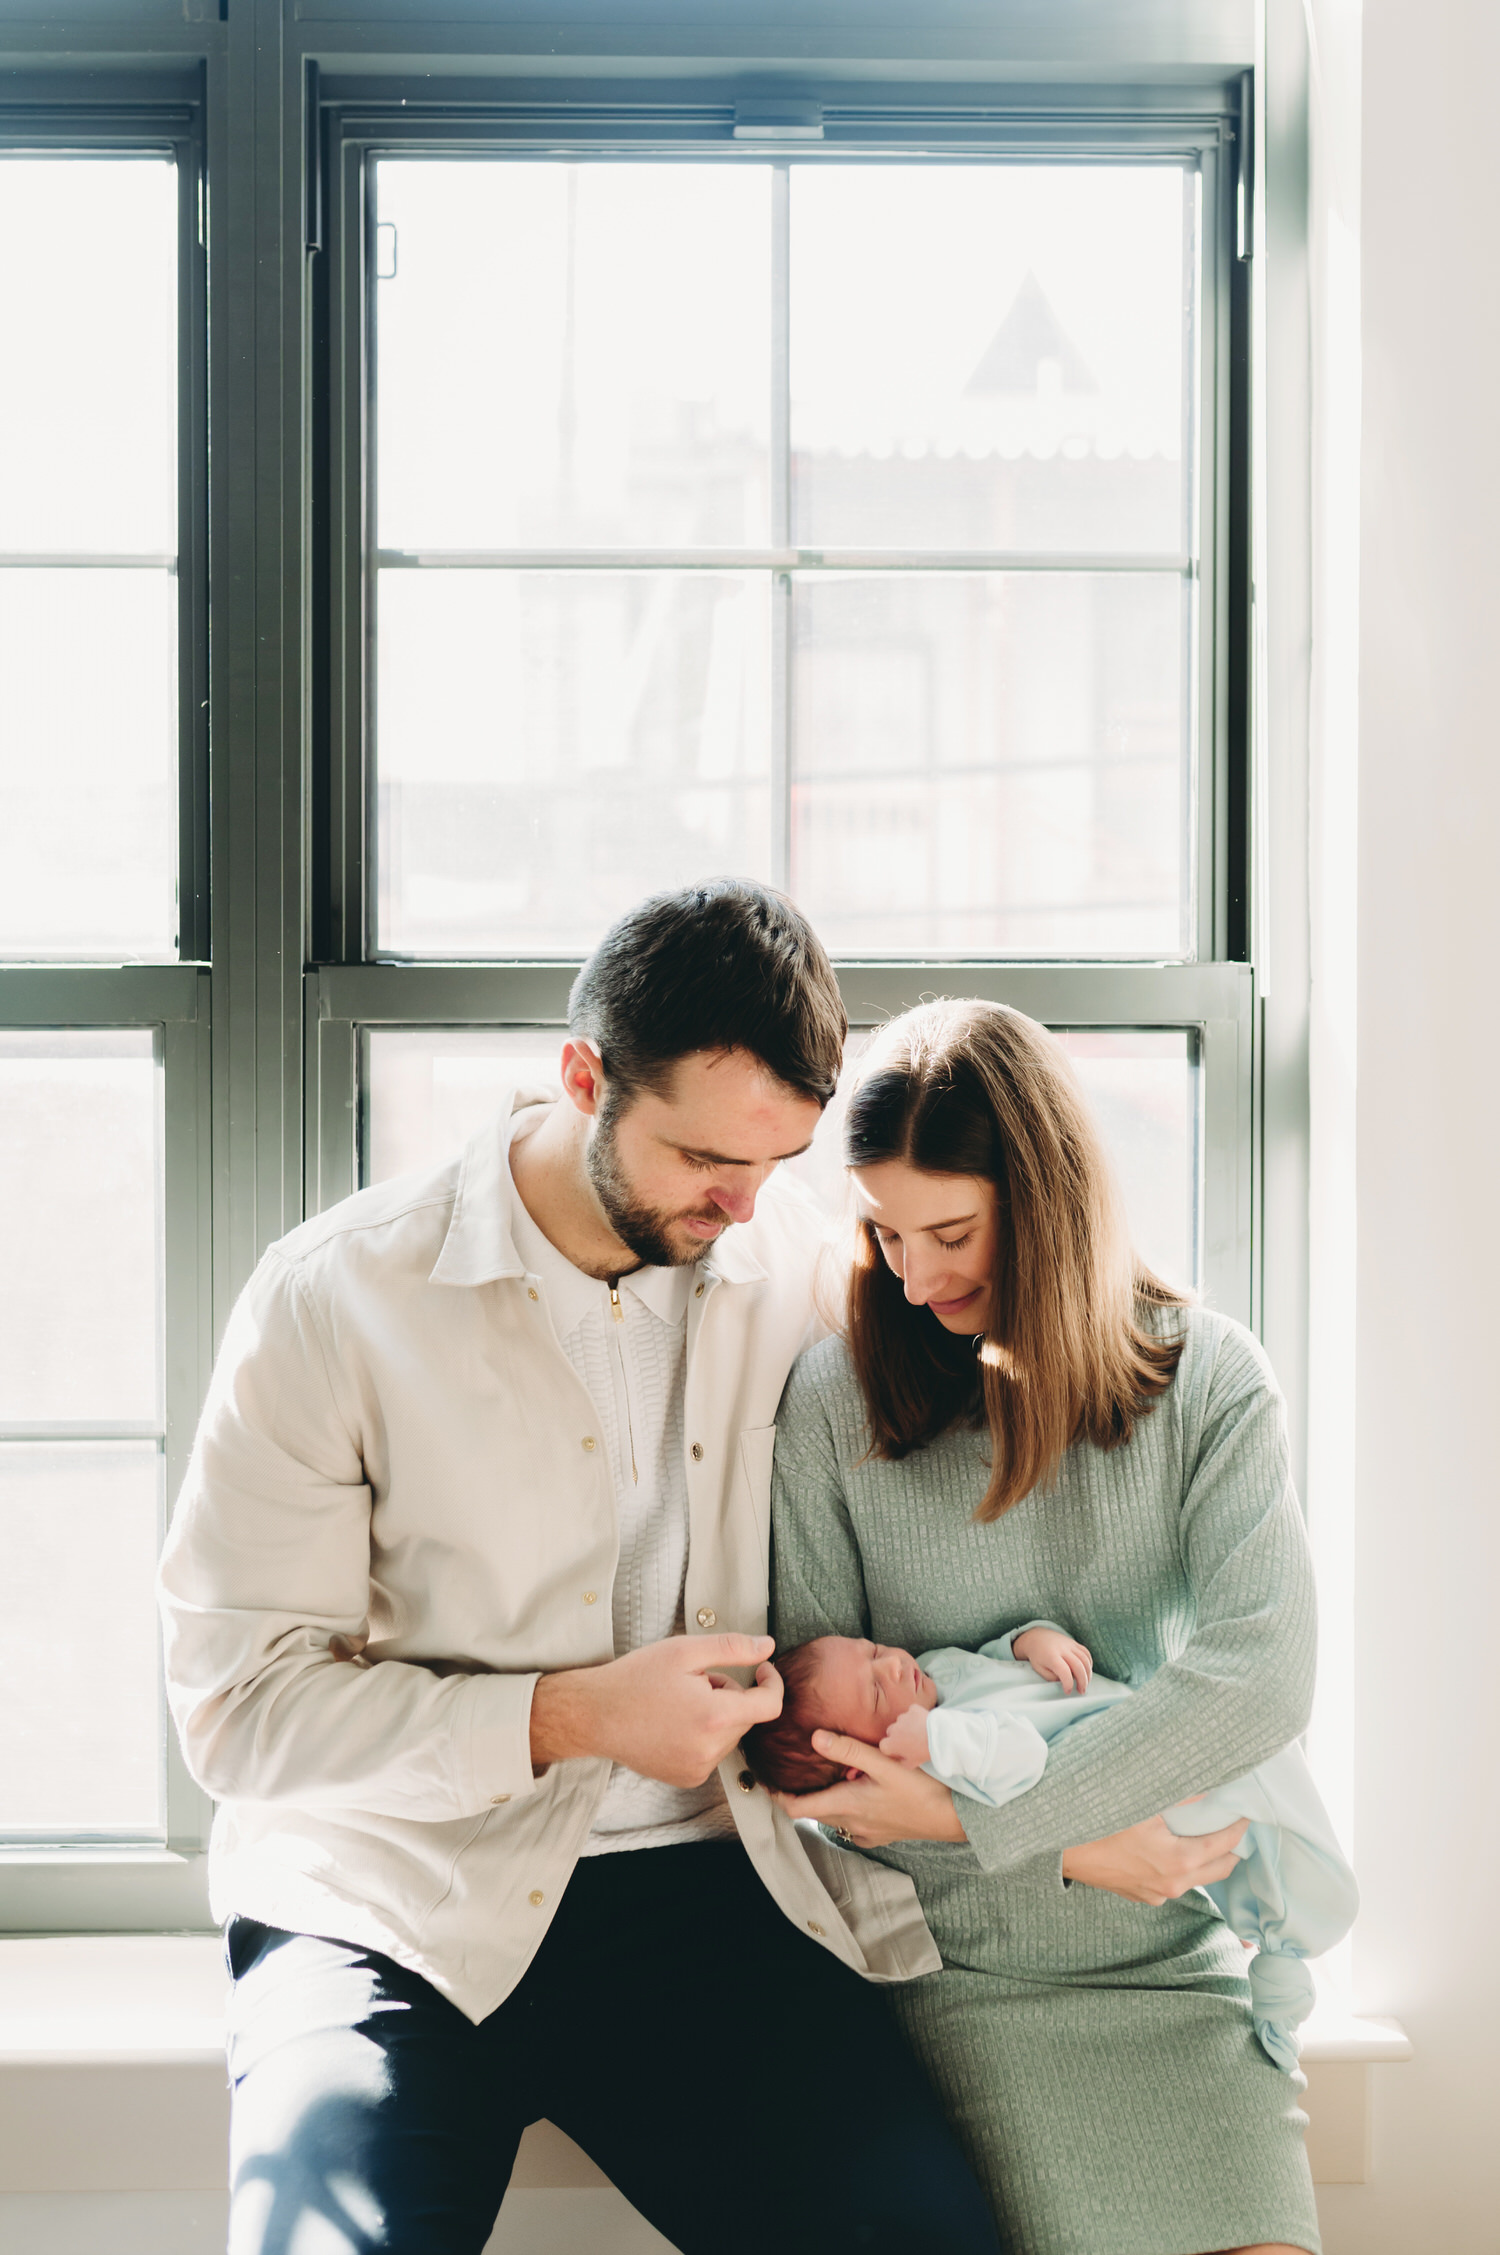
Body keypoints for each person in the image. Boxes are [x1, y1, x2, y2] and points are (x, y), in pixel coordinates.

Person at [157, 882, 1000, 2255]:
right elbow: (238, 1712)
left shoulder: (784, 1261)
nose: (742, 1200)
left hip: (703, 1894)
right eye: (704, 1158)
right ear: (580, 1075)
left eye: (778, 1159)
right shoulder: (337, 1297)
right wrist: (573, 1715)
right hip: (388, 1904)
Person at [768, 996, 1327, 2255]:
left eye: (951, 1231)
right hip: (945, 1976)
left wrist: (985, 1808)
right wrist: (1070, 1846)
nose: (914, 1275)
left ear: (1048, 1198)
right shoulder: (832, 1404)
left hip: (1175, 1961)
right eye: (886, 1234)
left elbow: (1261, 1677)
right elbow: (819, 1775)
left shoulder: (1210, 1381)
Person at [744, 1622, 1358, 2073]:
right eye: (878, 1692)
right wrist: (936, 1739)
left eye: (874, 1651)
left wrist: (1029, 1641)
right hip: (1136, 1785)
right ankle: (1286, 1958)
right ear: (866, 1763)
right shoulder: (945, 1758)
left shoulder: (933, 1673)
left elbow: (991, 1662)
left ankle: (1279, 1944)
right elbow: (1024, 1760)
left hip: (1138, 1726)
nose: (893, 1665)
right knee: (1280, 1840)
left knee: (1267, 1808)